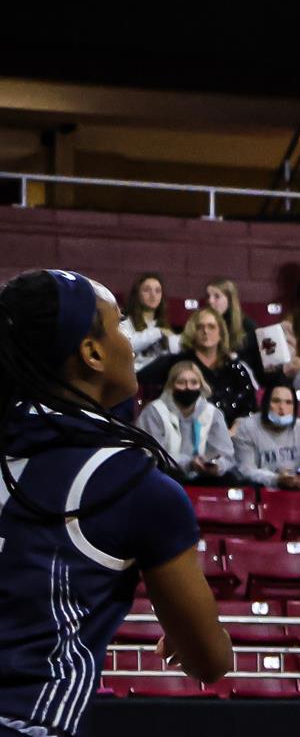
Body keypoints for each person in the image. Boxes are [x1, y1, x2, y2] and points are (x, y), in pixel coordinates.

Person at [0, 269, 233, 732]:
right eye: (120, 325)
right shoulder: (134, 485)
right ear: (92, 353)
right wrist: (192, 635)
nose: (130, 340)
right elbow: (210, 661)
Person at [138, 359, 236, 483]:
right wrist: (189, 464)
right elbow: (153, 456)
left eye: (193, 383)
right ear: (171, 385)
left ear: (201, 385)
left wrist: (217, 466)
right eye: (181, 382)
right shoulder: (154, 411)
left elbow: (226, 454)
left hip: (202, 477)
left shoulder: (213, 413)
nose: (188, 388)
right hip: (164, 476)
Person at [167, 306, 263, 421]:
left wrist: (232, 431)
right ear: (193, 332)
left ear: (221, 333)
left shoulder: (235, 369)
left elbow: (249, 409)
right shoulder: (179, 365)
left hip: (232, 435)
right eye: (200, 327)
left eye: (211, 327)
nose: (205, 331)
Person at [232, 382, 300, 491]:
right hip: (261, 494)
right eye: (276, 401)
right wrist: (277, 479)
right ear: (265, 404)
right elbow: (245, 471)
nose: (282, 408)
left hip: (296, 493)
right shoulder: (248, 427)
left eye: (288, 403)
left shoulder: (299, 427)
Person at [120, 273, 179, 374]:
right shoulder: (125, 322)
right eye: (147, 290)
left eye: (157, 291)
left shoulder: (162, 324)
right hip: (134, 376)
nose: (153, 295)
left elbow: (174, 351)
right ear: (137, 294)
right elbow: (128, 346)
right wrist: (158, 332)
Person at [198, 276, 262, 364]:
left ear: (230, 300)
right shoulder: (201, 323)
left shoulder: (247, 326)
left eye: (216, 296)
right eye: (208, 296)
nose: (210, 301)